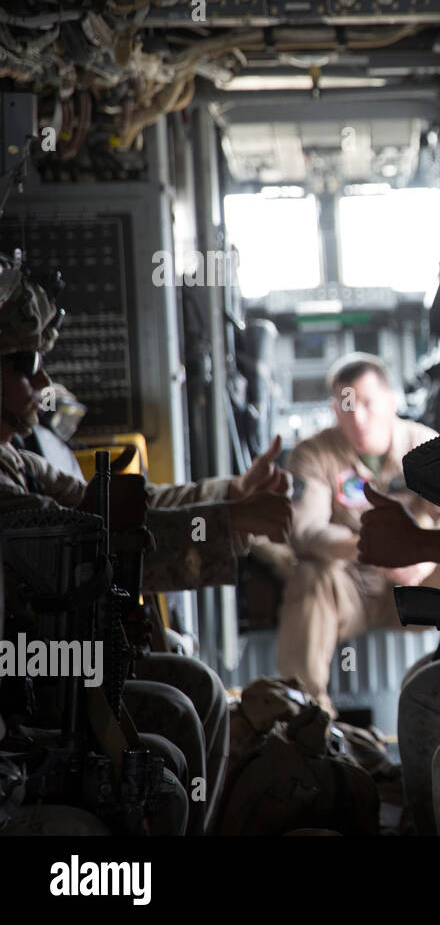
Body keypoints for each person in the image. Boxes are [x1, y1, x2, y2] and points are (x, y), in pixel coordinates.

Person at [0, 266, 293, 833]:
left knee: (193, 694)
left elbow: (133, 502)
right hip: (38, 681)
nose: (44, 385)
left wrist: (231, 496)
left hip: (56, 670)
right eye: (28, 366)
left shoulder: (16, 458)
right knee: (178, 720)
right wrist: (230, 521)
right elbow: (87, 540)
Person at [278, 352, 440, 717]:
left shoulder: (426, 446)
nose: (358, 417)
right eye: (347, 406)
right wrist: (372, 549)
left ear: (391, 401)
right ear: (333, 409)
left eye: (368, 403)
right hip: (351, 587)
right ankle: (305, 717)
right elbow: (306, 531)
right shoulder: (314, 453)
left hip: (418, 587)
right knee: (311, 574)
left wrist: (420, 557)